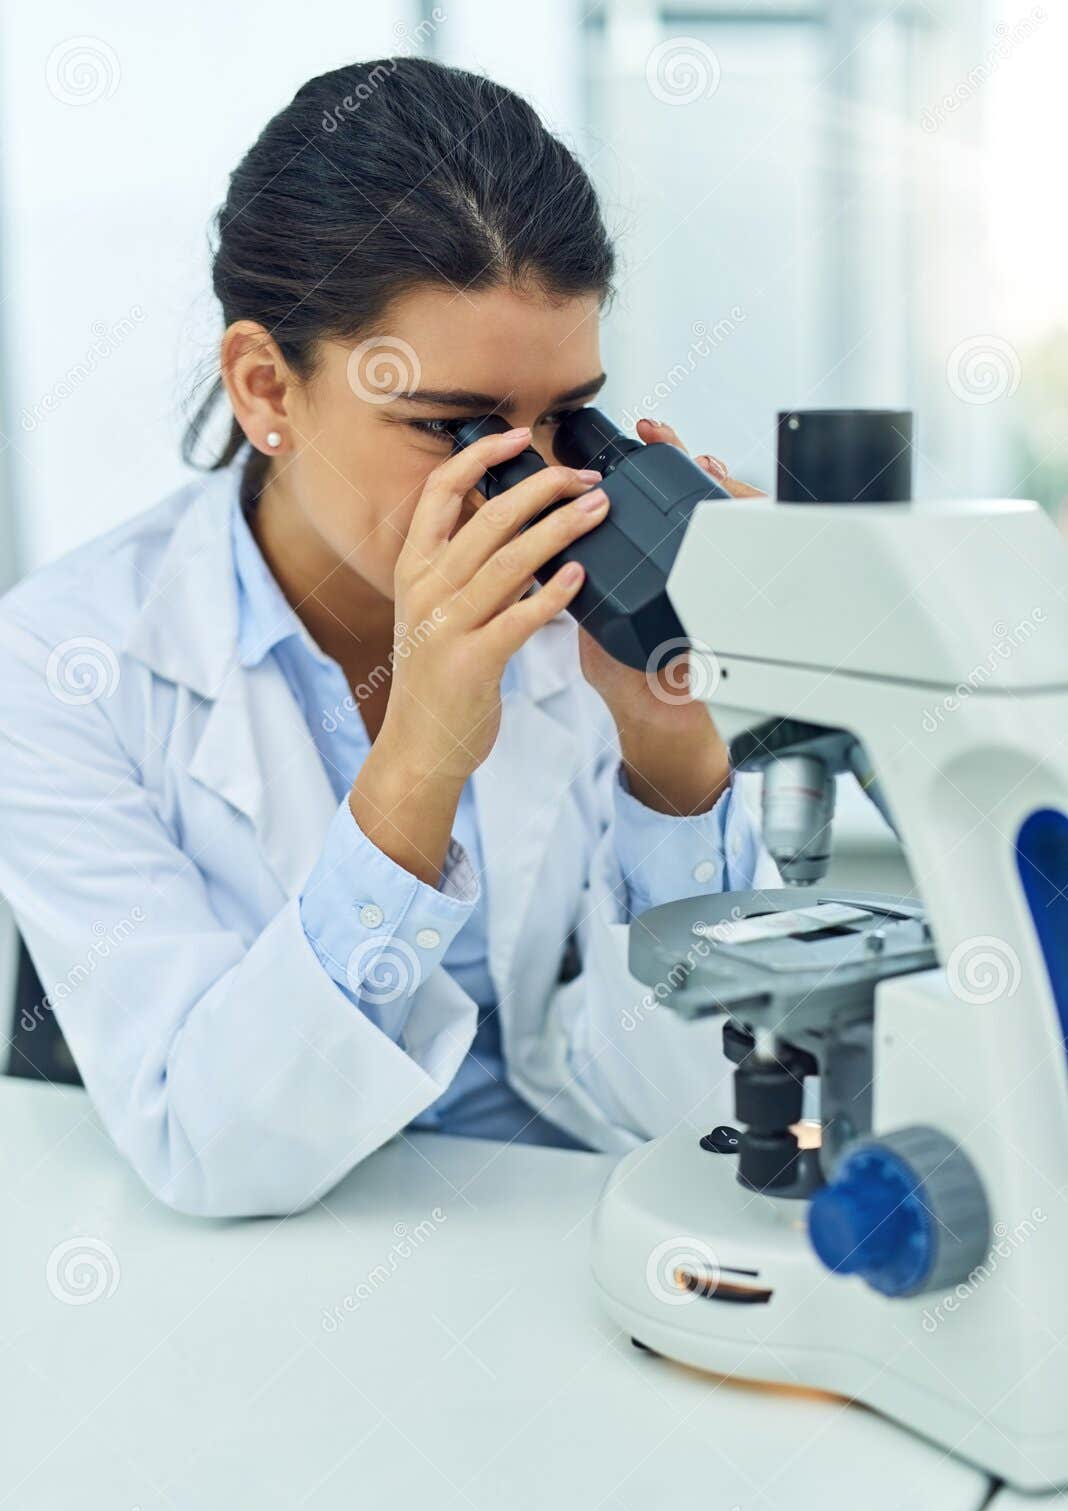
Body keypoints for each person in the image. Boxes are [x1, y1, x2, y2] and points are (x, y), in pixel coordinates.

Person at [0, 58, 770, 1218]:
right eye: (455, 429)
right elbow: (215, 1149)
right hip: (272, 1265)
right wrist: (416, 767)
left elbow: (699, 1104)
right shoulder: (61, 663)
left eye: (568, 420)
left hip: (548, 1221)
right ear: (268, 388)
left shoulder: (583, 622)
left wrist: (671, 753)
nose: (531, 486)